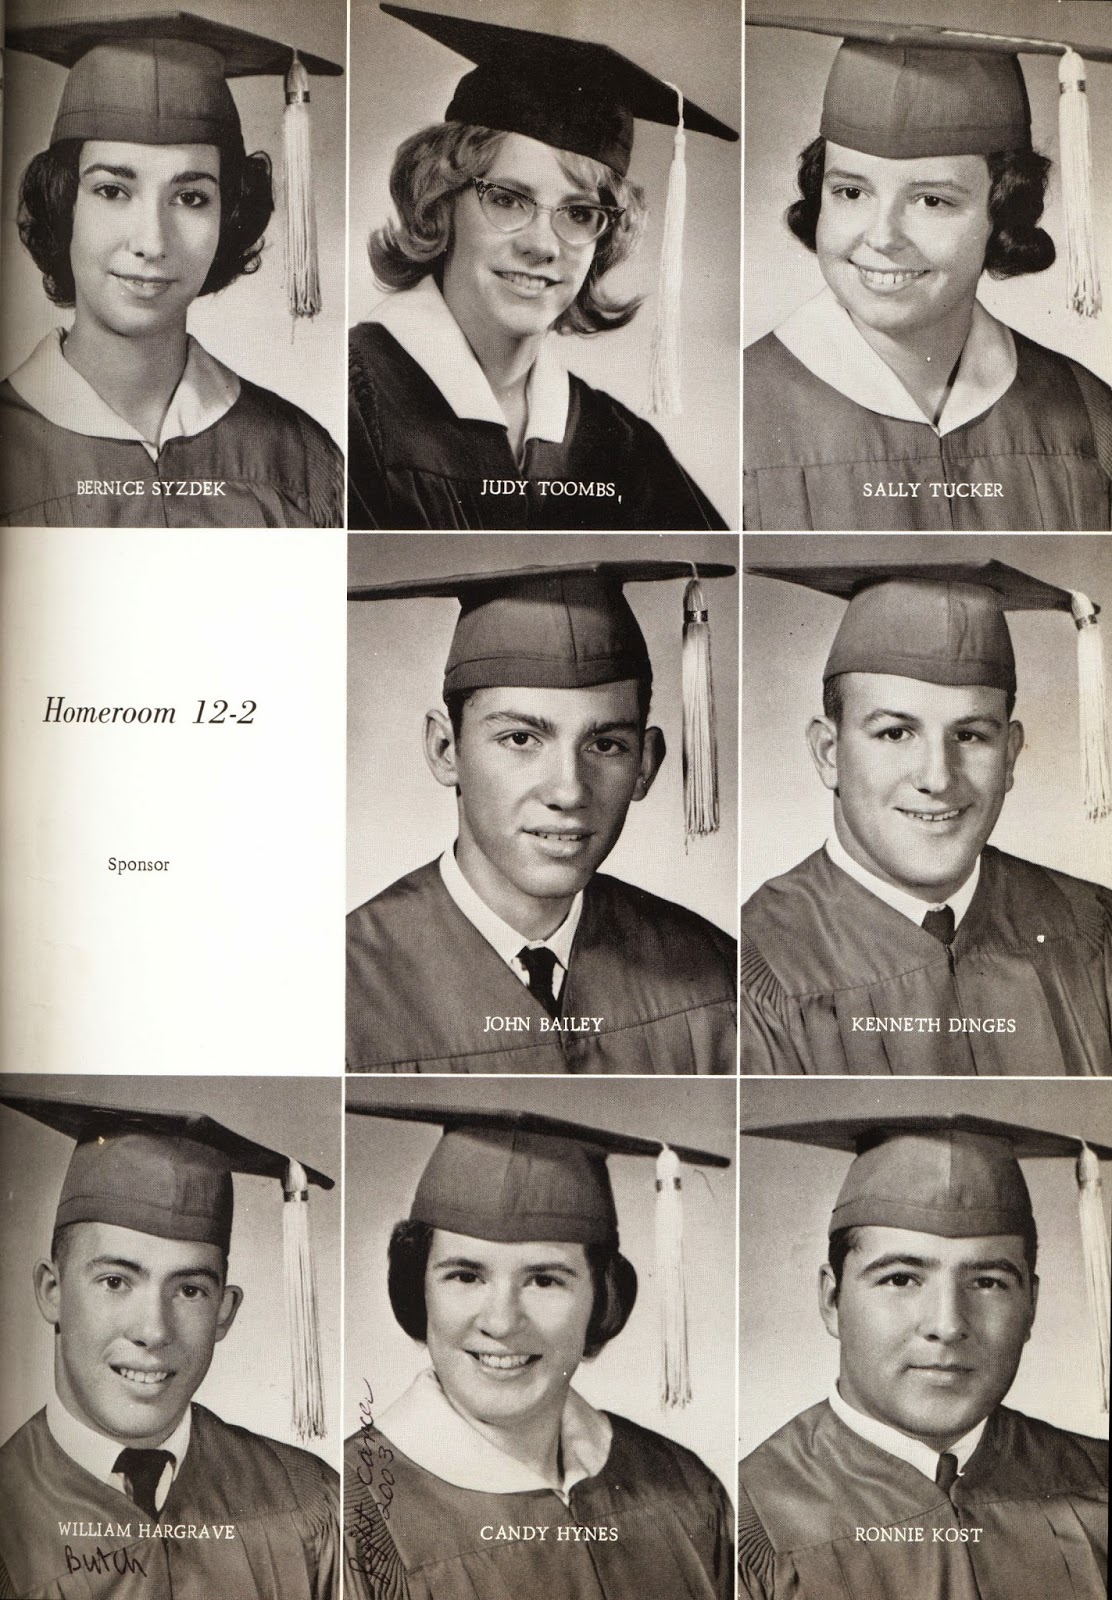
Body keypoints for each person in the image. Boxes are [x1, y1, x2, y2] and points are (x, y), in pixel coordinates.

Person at [347, 3, 737, 530]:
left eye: (579, 213)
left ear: (606, 237)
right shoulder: (355, 401)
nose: (543, 245)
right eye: (508, 199)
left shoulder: (613, 441)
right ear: (442, 202)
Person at [346, 558, 738, 1073]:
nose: (569, 791)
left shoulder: (715, 972)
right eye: (521, 739)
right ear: (446, 750)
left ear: (646, 765)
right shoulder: (338, 987)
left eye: (605, 744)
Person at [344, 1099, 735, 1600]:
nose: (502, 1323)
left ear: (603, 1300)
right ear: (416, 1290)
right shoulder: (353, 1514)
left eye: (545, 1280)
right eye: (465, 1276)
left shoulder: (680, 1484)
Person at [740, 557, 1112, 1074]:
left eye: (971, 736)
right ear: (828, 753)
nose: (938, 779)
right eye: (895, 733)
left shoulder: (1093, 928)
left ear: (1009, 756)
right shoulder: (756, 971)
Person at [743, 13, 1112, 531]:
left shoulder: (1088, 413)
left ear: (1001, 214)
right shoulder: (739, 414)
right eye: (850, 192)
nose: (882, 236)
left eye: (932, 200)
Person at [738, 1110, 1110, 1599]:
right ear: (832, 1302)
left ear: (1032, 1307)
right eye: (900, 1279)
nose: (948, 1324)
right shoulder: (749, 1515)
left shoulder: (1099, 1483)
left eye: (988, 1282)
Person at [0, 13, 344, 528]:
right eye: (112, 191)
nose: (152, 242)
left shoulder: (298, 456)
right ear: (61, 204)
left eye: (190, 197)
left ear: (228, 215)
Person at [0, 1091, 340, 1600]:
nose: (154, 1331)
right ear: (53, 1292)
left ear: (224, 1312)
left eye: (189, 1290)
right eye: (116, 1281)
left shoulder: (311, 1501)